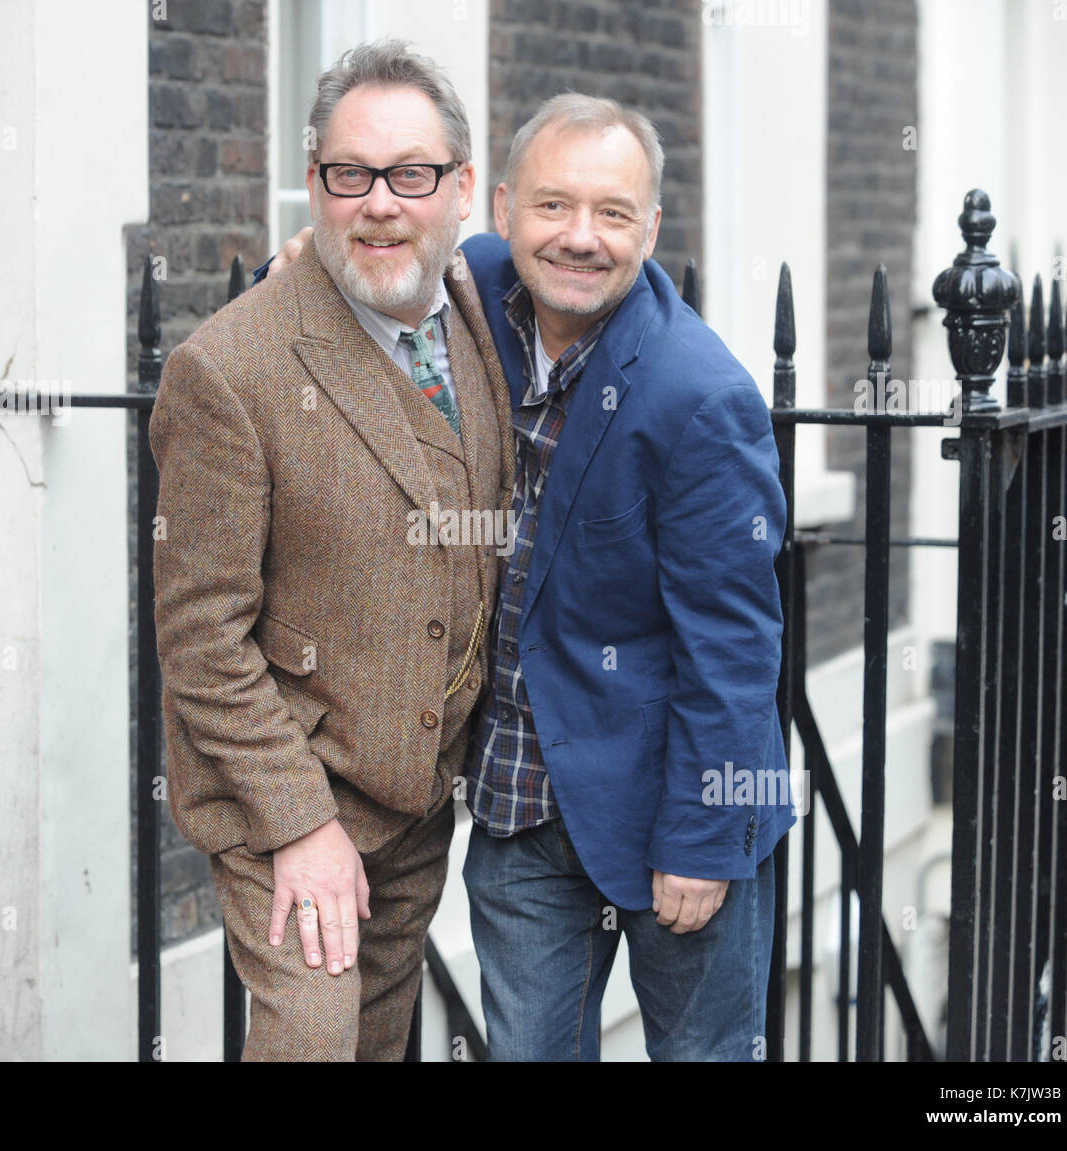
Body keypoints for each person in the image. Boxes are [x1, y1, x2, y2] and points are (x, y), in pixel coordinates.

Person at [262, 94, 793, 1062]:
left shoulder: (699, 394)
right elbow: (372, 261)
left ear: (652, 228)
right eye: (553, 206)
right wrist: (294, 264)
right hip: (516, 804)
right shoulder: (479, 293)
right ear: (499, 208)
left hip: (667, 800)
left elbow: (736, 641)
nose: (580, 238)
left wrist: (703, 834)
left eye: (613, 213)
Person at [148, 39, 514, 1061]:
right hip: (290, 796)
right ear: (314, 184)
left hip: (416, 794)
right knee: (310, 1042)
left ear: (462, 188)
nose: (380, 203)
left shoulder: (482, 307)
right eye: (348, 175)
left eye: (411, 174)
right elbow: (198, 635)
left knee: (374, 1045)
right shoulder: (226, 370)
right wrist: (301, 824)